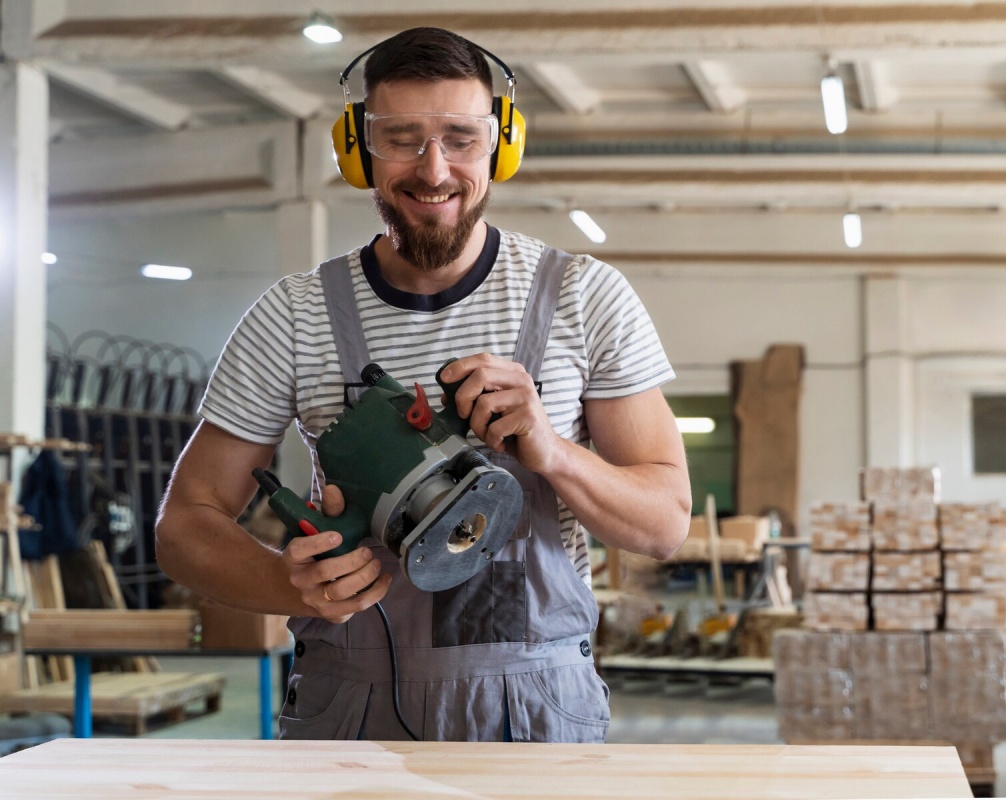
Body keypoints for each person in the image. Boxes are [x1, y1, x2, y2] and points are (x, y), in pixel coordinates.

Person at [155, 27, 691, 743]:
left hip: (534, 714)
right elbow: (184, 525)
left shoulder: (583, 298)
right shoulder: (295, 314)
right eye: (401, 137)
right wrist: (286, 583)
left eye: (462, 138)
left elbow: (664, 525)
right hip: (350, 713)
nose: (433, 169)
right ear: (359, 149)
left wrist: (555, 452)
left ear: (502, 145)